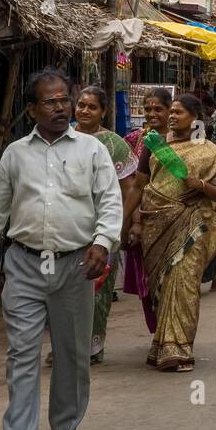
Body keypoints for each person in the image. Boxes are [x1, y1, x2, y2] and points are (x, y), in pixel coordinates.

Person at [0, 68, 122, 430]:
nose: (61, 107)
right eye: (50, 102)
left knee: (72, 358)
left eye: (64, 99)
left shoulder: (92, 149)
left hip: (75, 266)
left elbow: (111, 202)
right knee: (21, 354)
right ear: (32, 109)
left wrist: (102, 242)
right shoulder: (16, 155)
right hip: (24, 265)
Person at [124, 94, 216, 371]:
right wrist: (126, 222)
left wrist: (199, 184)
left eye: (179, 112)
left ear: (194, 117)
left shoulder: (208, 150)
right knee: (161, 288)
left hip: (190, 225)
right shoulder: (154, 144)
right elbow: (138, 187)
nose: (173, 116)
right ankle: (161, 343)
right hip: (155, 226)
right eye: (172, 112)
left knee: (184, 284)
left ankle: (179, 348)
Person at [74, 85, 137, 364]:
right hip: (67, 228)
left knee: (97, 290)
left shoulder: (114, 144)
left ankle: (92, 347)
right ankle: (66, 346)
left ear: (103, 111)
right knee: (64, 291)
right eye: (81, 105)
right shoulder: (62, 138)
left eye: (91, 106)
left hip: (103, 227)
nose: (84, 111)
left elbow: (129, 188)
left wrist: (128, 224)